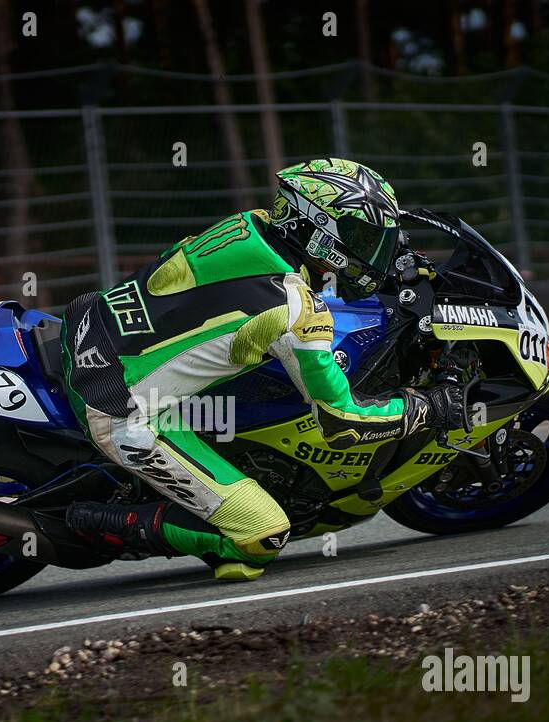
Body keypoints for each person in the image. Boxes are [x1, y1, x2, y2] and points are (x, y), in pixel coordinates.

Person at [61, 158, 468, 581]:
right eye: (361, 238)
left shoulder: (248, 225)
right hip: (114, 406)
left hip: (89, 321)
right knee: (262, 536)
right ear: (319, 230)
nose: (370, 249)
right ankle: (97, 523)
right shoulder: (296, 313)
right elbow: (343, 422)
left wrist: (391, 264)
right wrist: (426, 409)